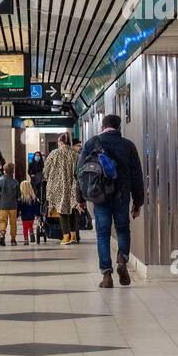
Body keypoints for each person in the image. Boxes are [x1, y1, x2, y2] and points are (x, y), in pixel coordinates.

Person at [77, 113, 145, 288]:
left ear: (102, 126)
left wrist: (80, 198)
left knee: (103, 235)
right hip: (122, 196)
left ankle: (106, 275)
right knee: (123, 230)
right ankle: (122, 261)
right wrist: (138, 202)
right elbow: (137, 176)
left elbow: (80, 174)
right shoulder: (128, 146)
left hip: (99, 197)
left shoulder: (91, 143)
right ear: (119, 127)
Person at [43, 133, 79, 245]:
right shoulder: (75, 154)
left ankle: (65, 237)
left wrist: (50, 178)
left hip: (58, 187)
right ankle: (74, 236)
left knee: (62, 211)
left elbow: (46, 170)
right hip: (73, 185)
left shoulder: (54, 153)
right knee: (73, 210)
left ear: (61, 142)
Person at [0, 162, 19, 246]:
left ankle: (2, 234)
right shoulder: (15, 182)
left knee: (3, 221)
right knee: (13, 223)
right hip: (13, 205)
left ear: (4, 171)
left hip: (3, 205)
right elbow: (18, 195)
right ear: (13, 171)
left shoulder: (0, 181)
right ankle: (13, 239)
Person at [18, 177, 40, 245]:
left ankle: (26, 239)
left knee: (25, 228)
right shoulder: (34, 198)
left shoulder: (21, 199)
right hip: (31, 216)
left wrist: (18, 213)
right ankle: (31, 232)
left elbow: (19, 207)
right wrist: (37, 214)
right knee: (30, 225)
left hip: (24, 216)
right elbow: (36, 206)